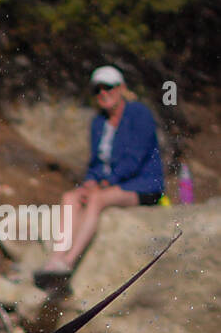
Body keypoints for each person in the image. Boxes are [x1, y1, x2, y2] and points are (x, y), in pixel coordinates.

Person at [35, 65, 164, 285]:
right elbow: (95, 163)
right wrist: (90, 182)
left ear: (121, 88)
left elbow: (134, 159)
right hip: (108, 184)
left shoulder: (139, 113)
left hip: (141, 185)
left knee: (96, 198)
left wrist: (103, 184)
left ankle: (69, 261)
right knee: (70, 197)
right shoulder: (98, 122)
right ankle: (55, 259)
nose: (103, 93)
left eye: (109, 88)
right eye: (98, 89)